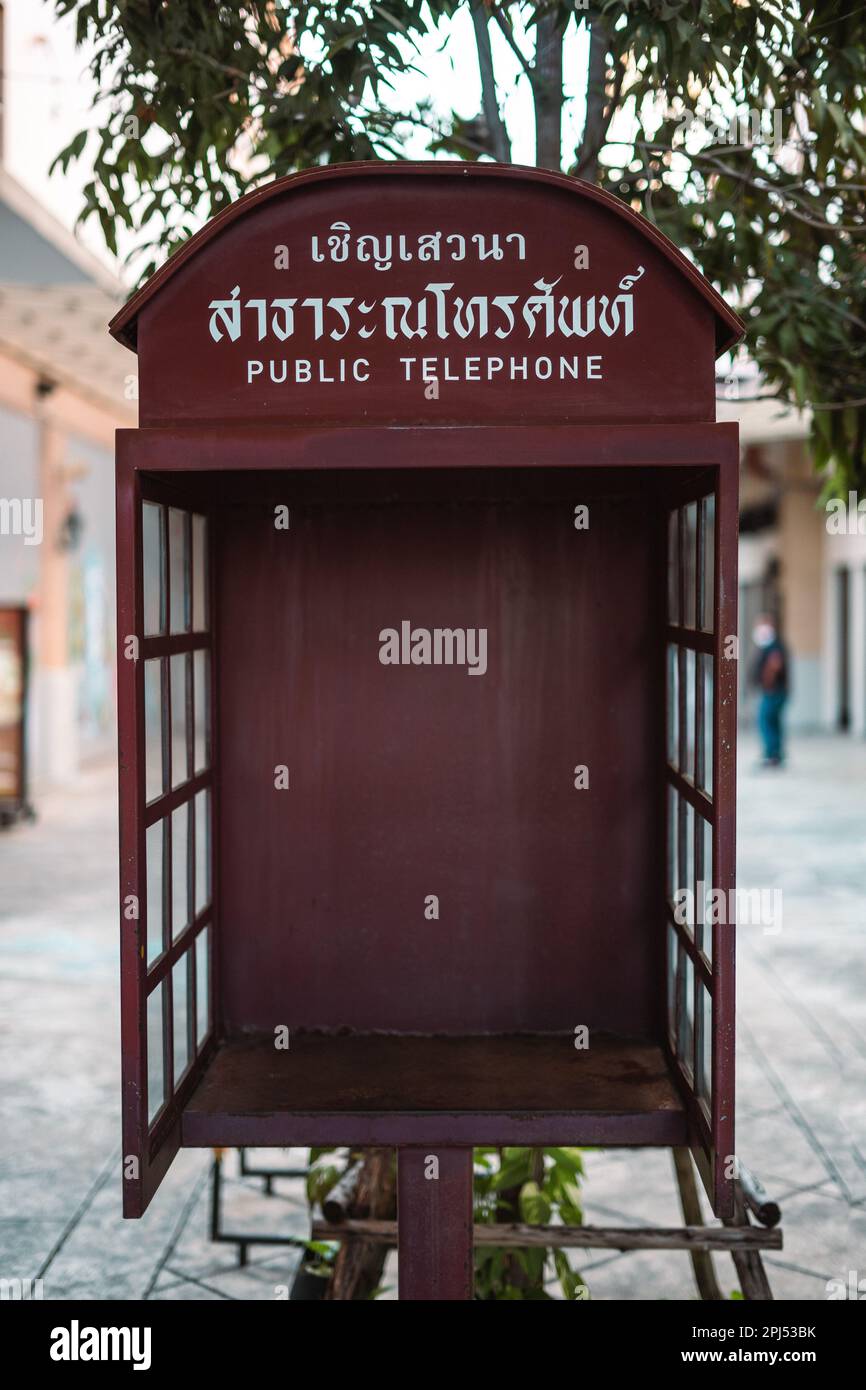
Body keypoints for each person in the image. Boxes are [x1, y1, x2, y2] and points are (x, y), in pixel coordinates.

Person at [751, 615, 789, 766]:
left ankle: (772, 754)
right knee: (773, 722)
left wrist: (768, 685)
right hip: (777, 691)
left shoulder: (774, 646)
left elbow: (774, 666)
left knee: (765, 721)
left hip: (773, 691)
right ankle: (776, 754)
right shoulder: (773, 646)